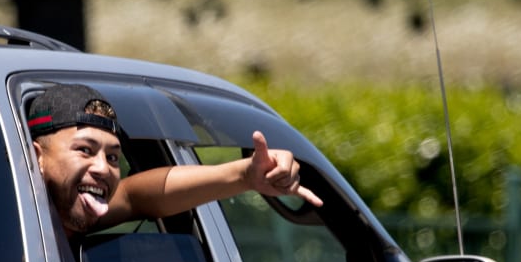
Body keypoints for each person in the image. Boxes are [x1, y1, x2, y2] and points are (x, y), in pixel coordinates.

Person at [27, 83, 323, 239]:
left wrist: (247, 175)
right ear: (38, 157)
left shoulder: (70, 209)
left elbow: (136, 195)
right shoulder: (2, 231)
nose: (103, 168)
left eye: (113, 156)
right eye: (84, 150)